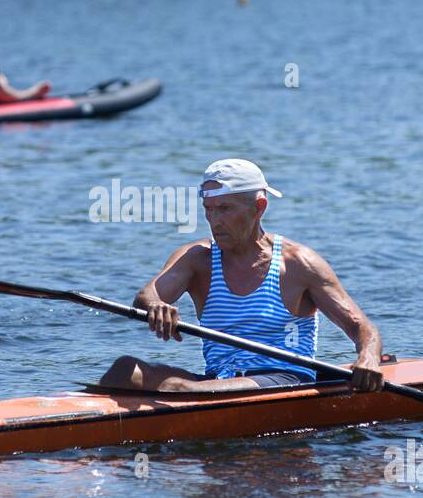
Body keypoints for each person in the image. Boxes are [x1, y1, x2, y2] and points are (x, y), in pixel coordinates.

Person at [100, 159, 385, 393]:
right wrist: (155, 306)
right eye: (209, 210)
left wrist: (369, 358)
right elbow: (146, 296)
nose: (214, 221)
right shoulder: (196, 259)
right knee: (124, 370)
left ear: (258, 207)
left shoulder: (299, 264)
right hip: (219, 379)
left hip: (284, 379)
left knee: (178, 388)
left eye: (225, 209)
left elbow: (362, 328)